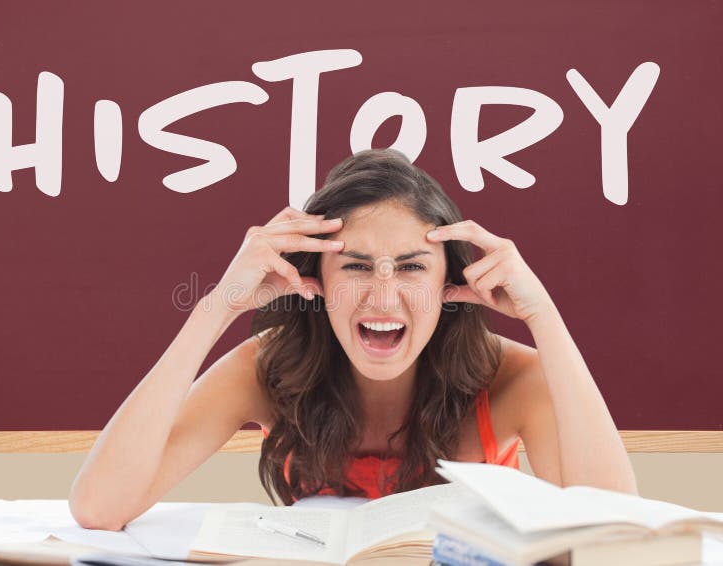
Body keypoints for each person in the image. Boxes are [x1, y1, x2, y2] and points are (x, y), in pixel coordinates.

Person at [68, 148, 637, 531]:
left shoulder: (510, 377)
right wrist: (219, 307)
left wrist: (544, 315)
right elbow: (99, 508)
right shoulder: (269, 370)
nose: (383, 299)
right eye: (357, 267)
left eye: (412, 268)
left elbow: (614, 529)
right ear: (316, 280)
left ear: (449, 282)